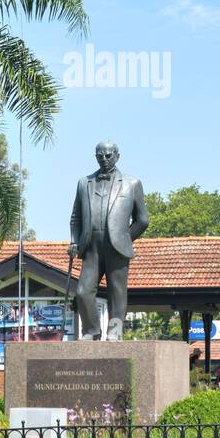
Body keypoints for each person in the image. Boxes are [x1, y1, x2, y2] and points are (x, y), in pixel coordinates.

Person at [69, 139, 149, 340]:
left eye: (108, 155)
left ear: (117, 155)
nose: (104, 159)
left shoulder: (132, 183)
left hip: (117, 248)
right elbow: (75, 218)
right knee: (83, 291)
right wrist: (73, 241)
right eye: (100, 156)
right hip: (91, 247)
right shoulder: (83, 183)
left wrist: (124, 238)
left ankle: (115, 331)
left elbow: (142, 220)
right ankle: (91, 330)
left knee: (117, 292)